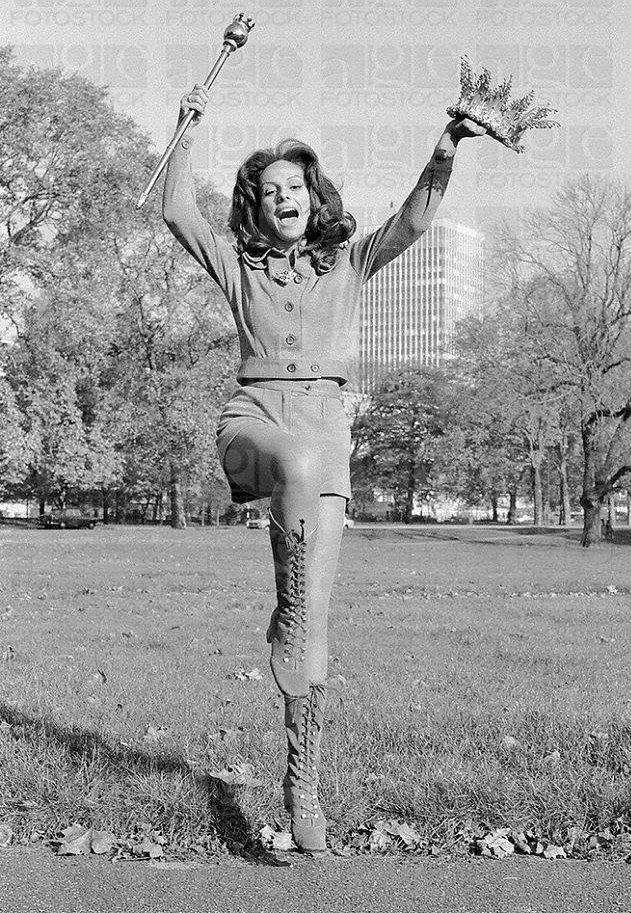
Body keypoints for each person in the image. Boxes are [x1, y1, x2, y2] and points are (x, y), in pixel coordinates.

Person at [162, 84, 486, 853]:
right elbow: (177, 210)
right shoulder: (236, 264)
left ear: (313, 197)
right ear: (257, 204)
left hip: (323, 429)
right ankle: (288, 617)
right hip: (253, 426)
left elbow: (412, 220)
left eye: (296, 189)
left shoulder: (348, 259)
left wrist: (445, 151)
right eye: (271, 192)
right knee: (298, 470)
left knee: (311, 627)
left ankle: (301, 783)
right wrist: (186, 128)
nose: (285, 200)